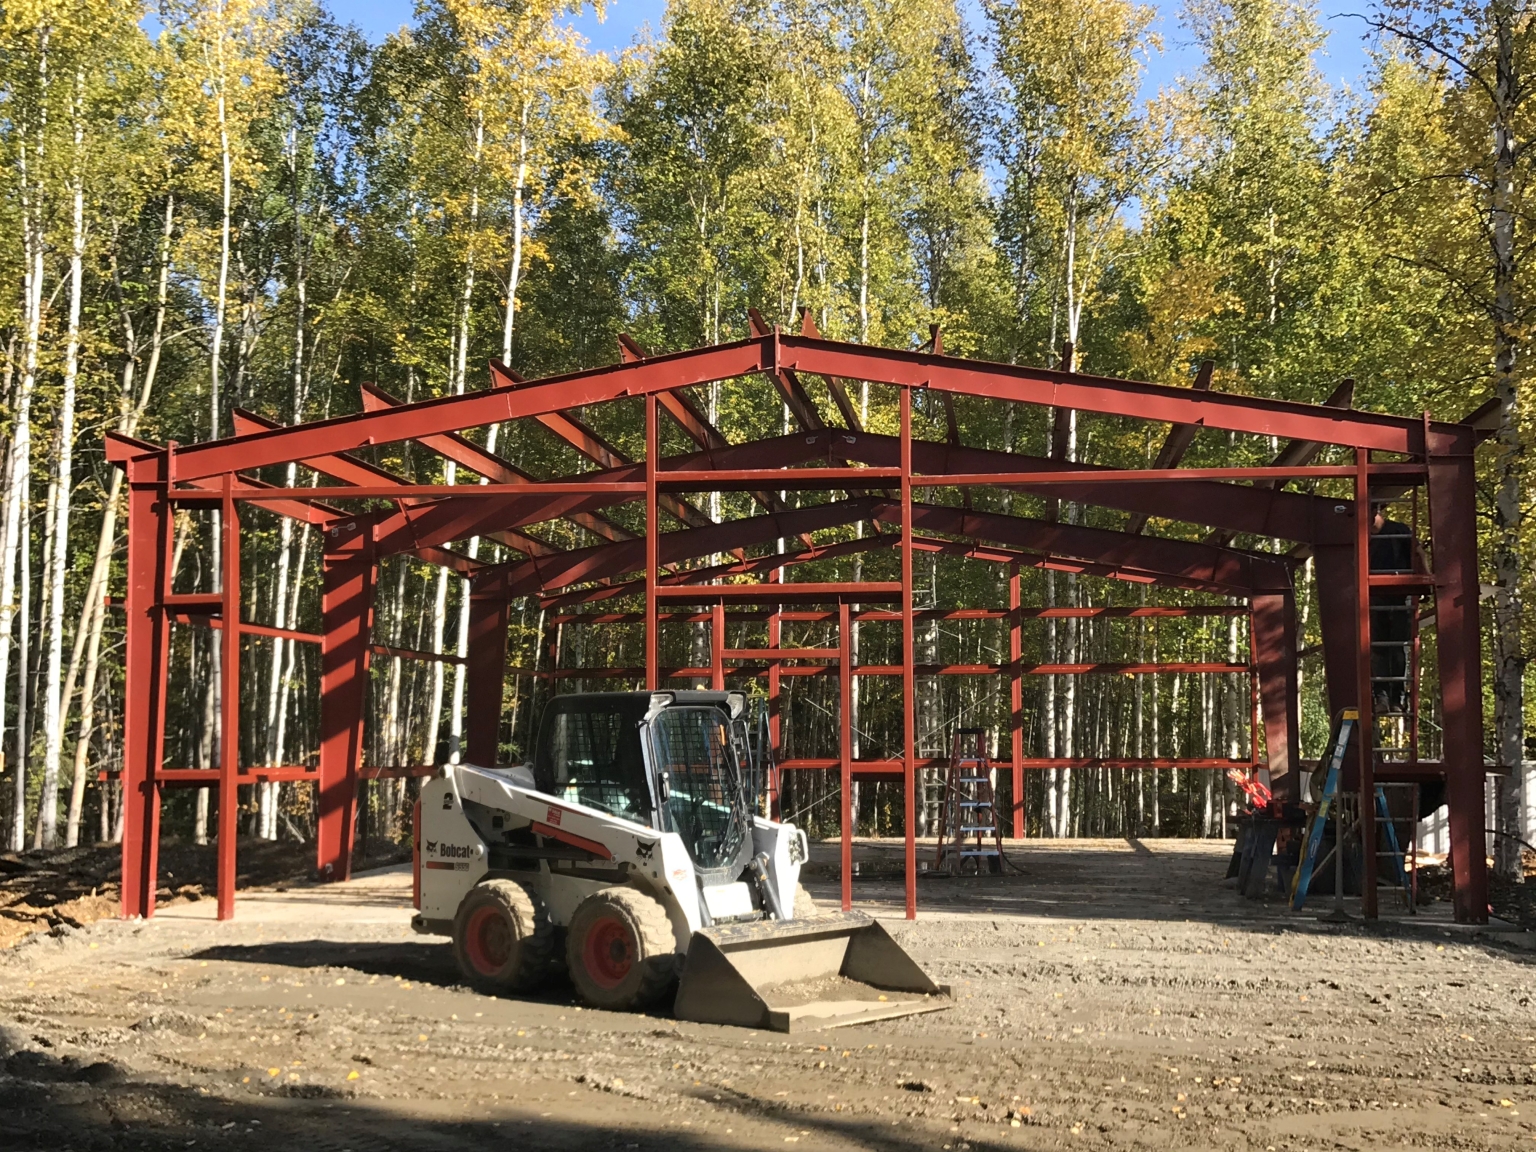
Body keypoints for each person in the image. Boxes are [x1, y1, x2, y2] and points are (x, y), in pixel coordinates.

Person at [1367, 499, 1414, 714]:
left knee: (1397, 649)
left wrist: (1425, 580)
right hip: (1375, 599)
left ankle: (1397, 697)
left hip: (1398, 597)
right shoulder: (1363, 537)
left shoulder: (1398, 531)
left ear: (1376, 512)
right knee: (1378, 649)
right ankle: (1382, 697)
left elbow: (1417, 554)